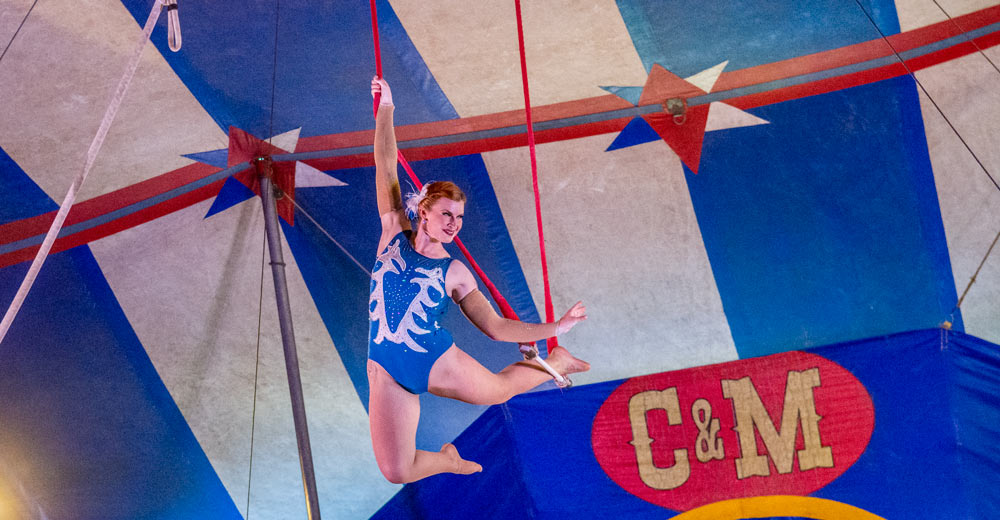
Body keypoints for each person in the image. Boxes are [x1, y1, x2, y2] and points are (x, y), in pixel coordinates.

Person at [367, 77, 591, 484]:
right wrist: (387, 108)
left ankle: (556, 362)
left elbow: (495, 327)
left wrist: (556, 328)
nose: (454, 224)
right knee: (396, 470)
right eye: (446, 215)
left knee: (499, 390)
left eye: (459, 218)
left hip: (435, 360)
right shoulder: (392, 231)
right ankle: (449, 461)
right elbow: (385, 163)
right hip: (387, 370)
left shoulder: (454, 271)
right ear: (424, 212)